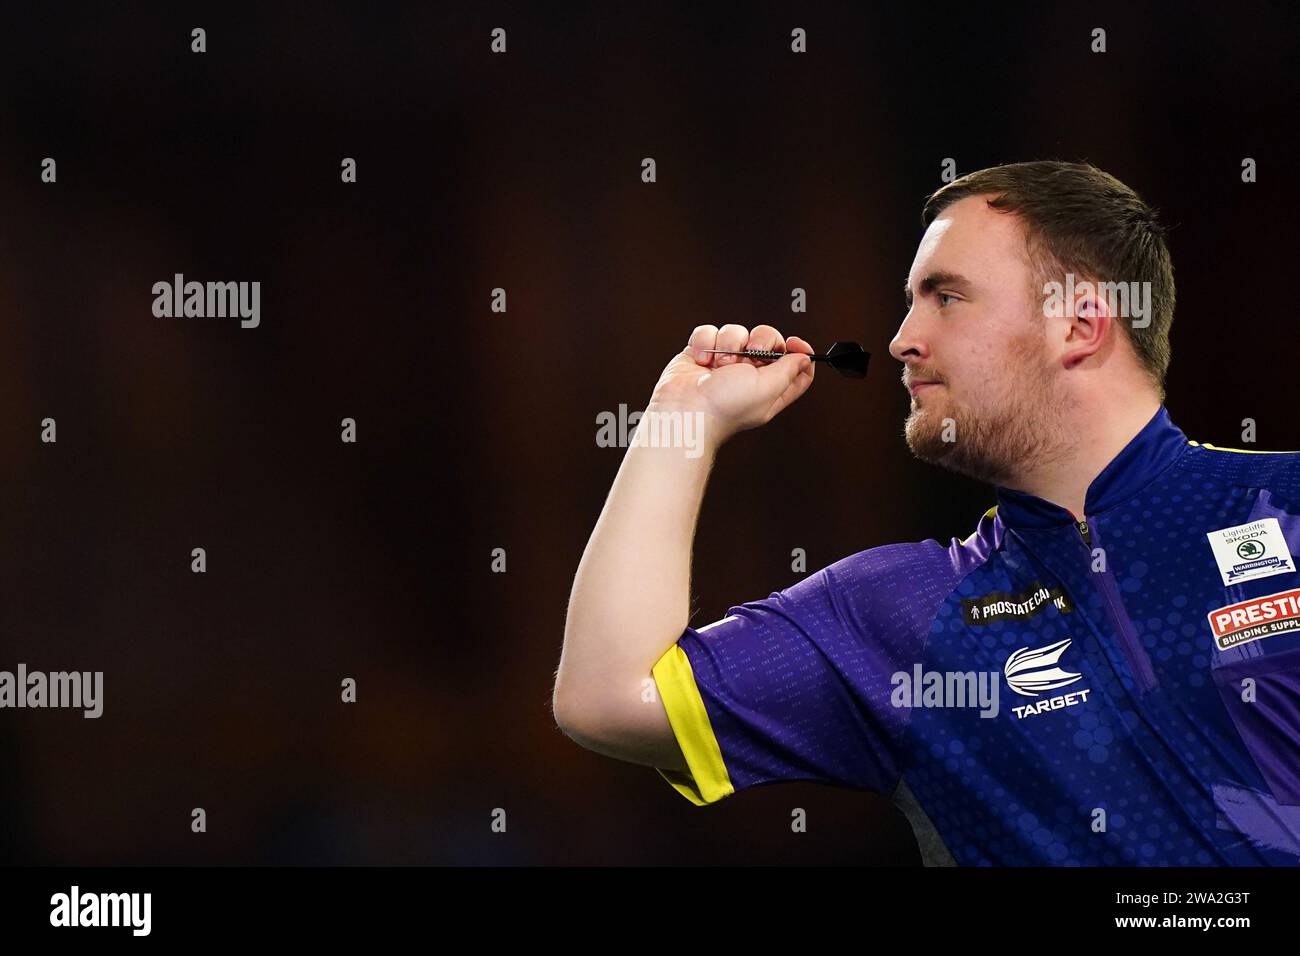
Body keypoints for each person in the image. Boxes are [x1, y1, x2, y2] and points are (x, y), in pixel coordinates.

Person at [552, 160, 1300, 865]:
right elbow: (607, 698)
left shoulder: (1286, 505)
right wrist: (681, 419)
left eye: (945, 297)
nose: (903, 340)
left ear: (1080, 324)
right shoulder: (892, 614)